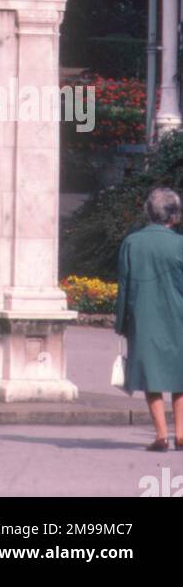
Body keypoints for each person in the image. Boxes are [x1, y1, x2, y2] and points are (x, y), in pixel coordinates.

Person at [115, 186, 183, 451]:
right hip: (179, 318)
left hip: (144, 318)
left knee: (150, 376)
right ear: (174, 216)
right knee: (181, 376)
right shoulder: (180, 244)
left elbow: (125, 286)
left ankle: (161, 435)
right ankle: (182, 434)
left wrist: (121, 322)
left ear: (149, 212)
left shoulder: (132, 243)